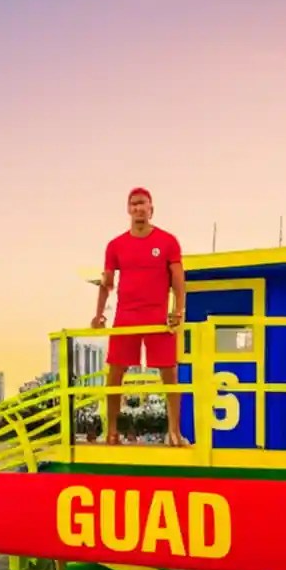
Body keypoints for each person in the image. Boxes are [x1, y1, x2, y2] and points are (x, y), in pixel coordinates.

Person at [91, 187, 188, 446]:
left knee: (169, 371)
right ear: (128, 210)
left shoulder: (168, 241)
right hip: (126, 315)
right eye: (133, 204)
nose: (138, 209)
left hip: (157, 315)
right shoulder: (115, 245)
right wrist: (98, 314)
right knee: (115, 371)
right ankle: (111, 431)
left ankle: (174, 432)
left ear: (151, 208)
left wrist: (179, 310)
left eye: (142, 204)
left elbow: (178, 278)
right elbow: (107, 281)